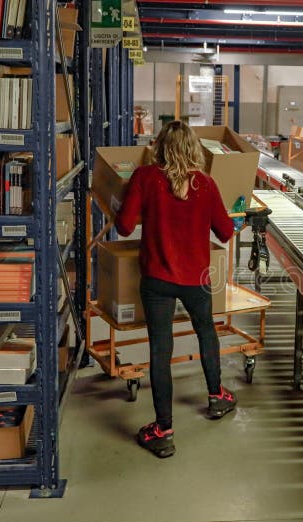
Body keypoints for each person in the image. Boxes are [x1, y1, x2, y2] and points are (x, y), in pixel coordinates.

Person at [115, 121, 236, 458]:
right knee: (206, 331)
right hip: (196, 278)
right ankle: (217, 398)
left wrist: (120, 203)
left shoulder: (144, 178)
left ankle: (163, 429)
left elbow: (124, 227)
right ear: (194, 149)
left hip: (157, 279)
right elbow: (225, 233)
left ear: (160, 147)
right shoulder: (206, 184)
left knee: (160, 350)